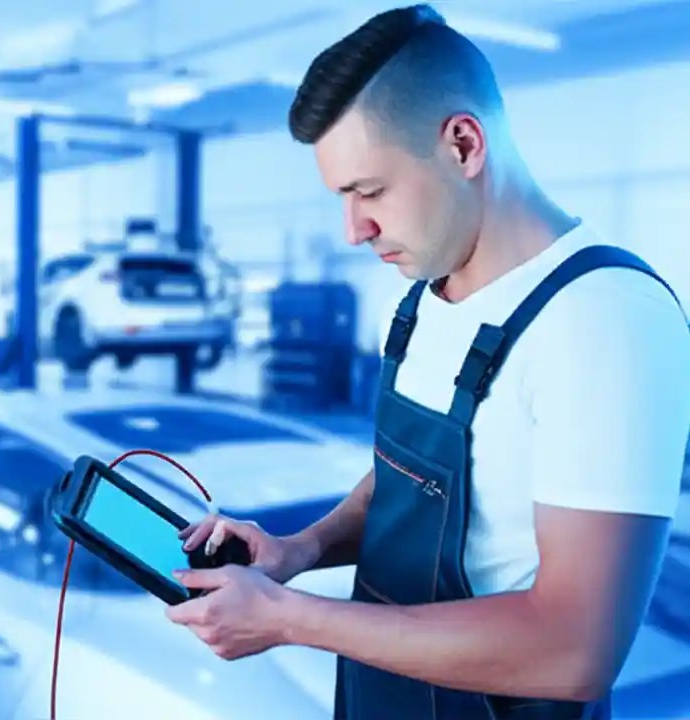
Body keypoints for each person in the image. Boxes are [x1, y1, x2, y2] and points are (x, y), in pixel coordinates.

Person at [165, 5, 690, 719]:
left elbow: (576, 648)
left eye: (369, 191)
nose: (354, 231)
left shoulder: (601, 316)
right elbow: (409, 480)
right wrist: (300, 550)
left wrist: (289, 618)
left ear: (463, 145)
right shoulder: (424, 296)